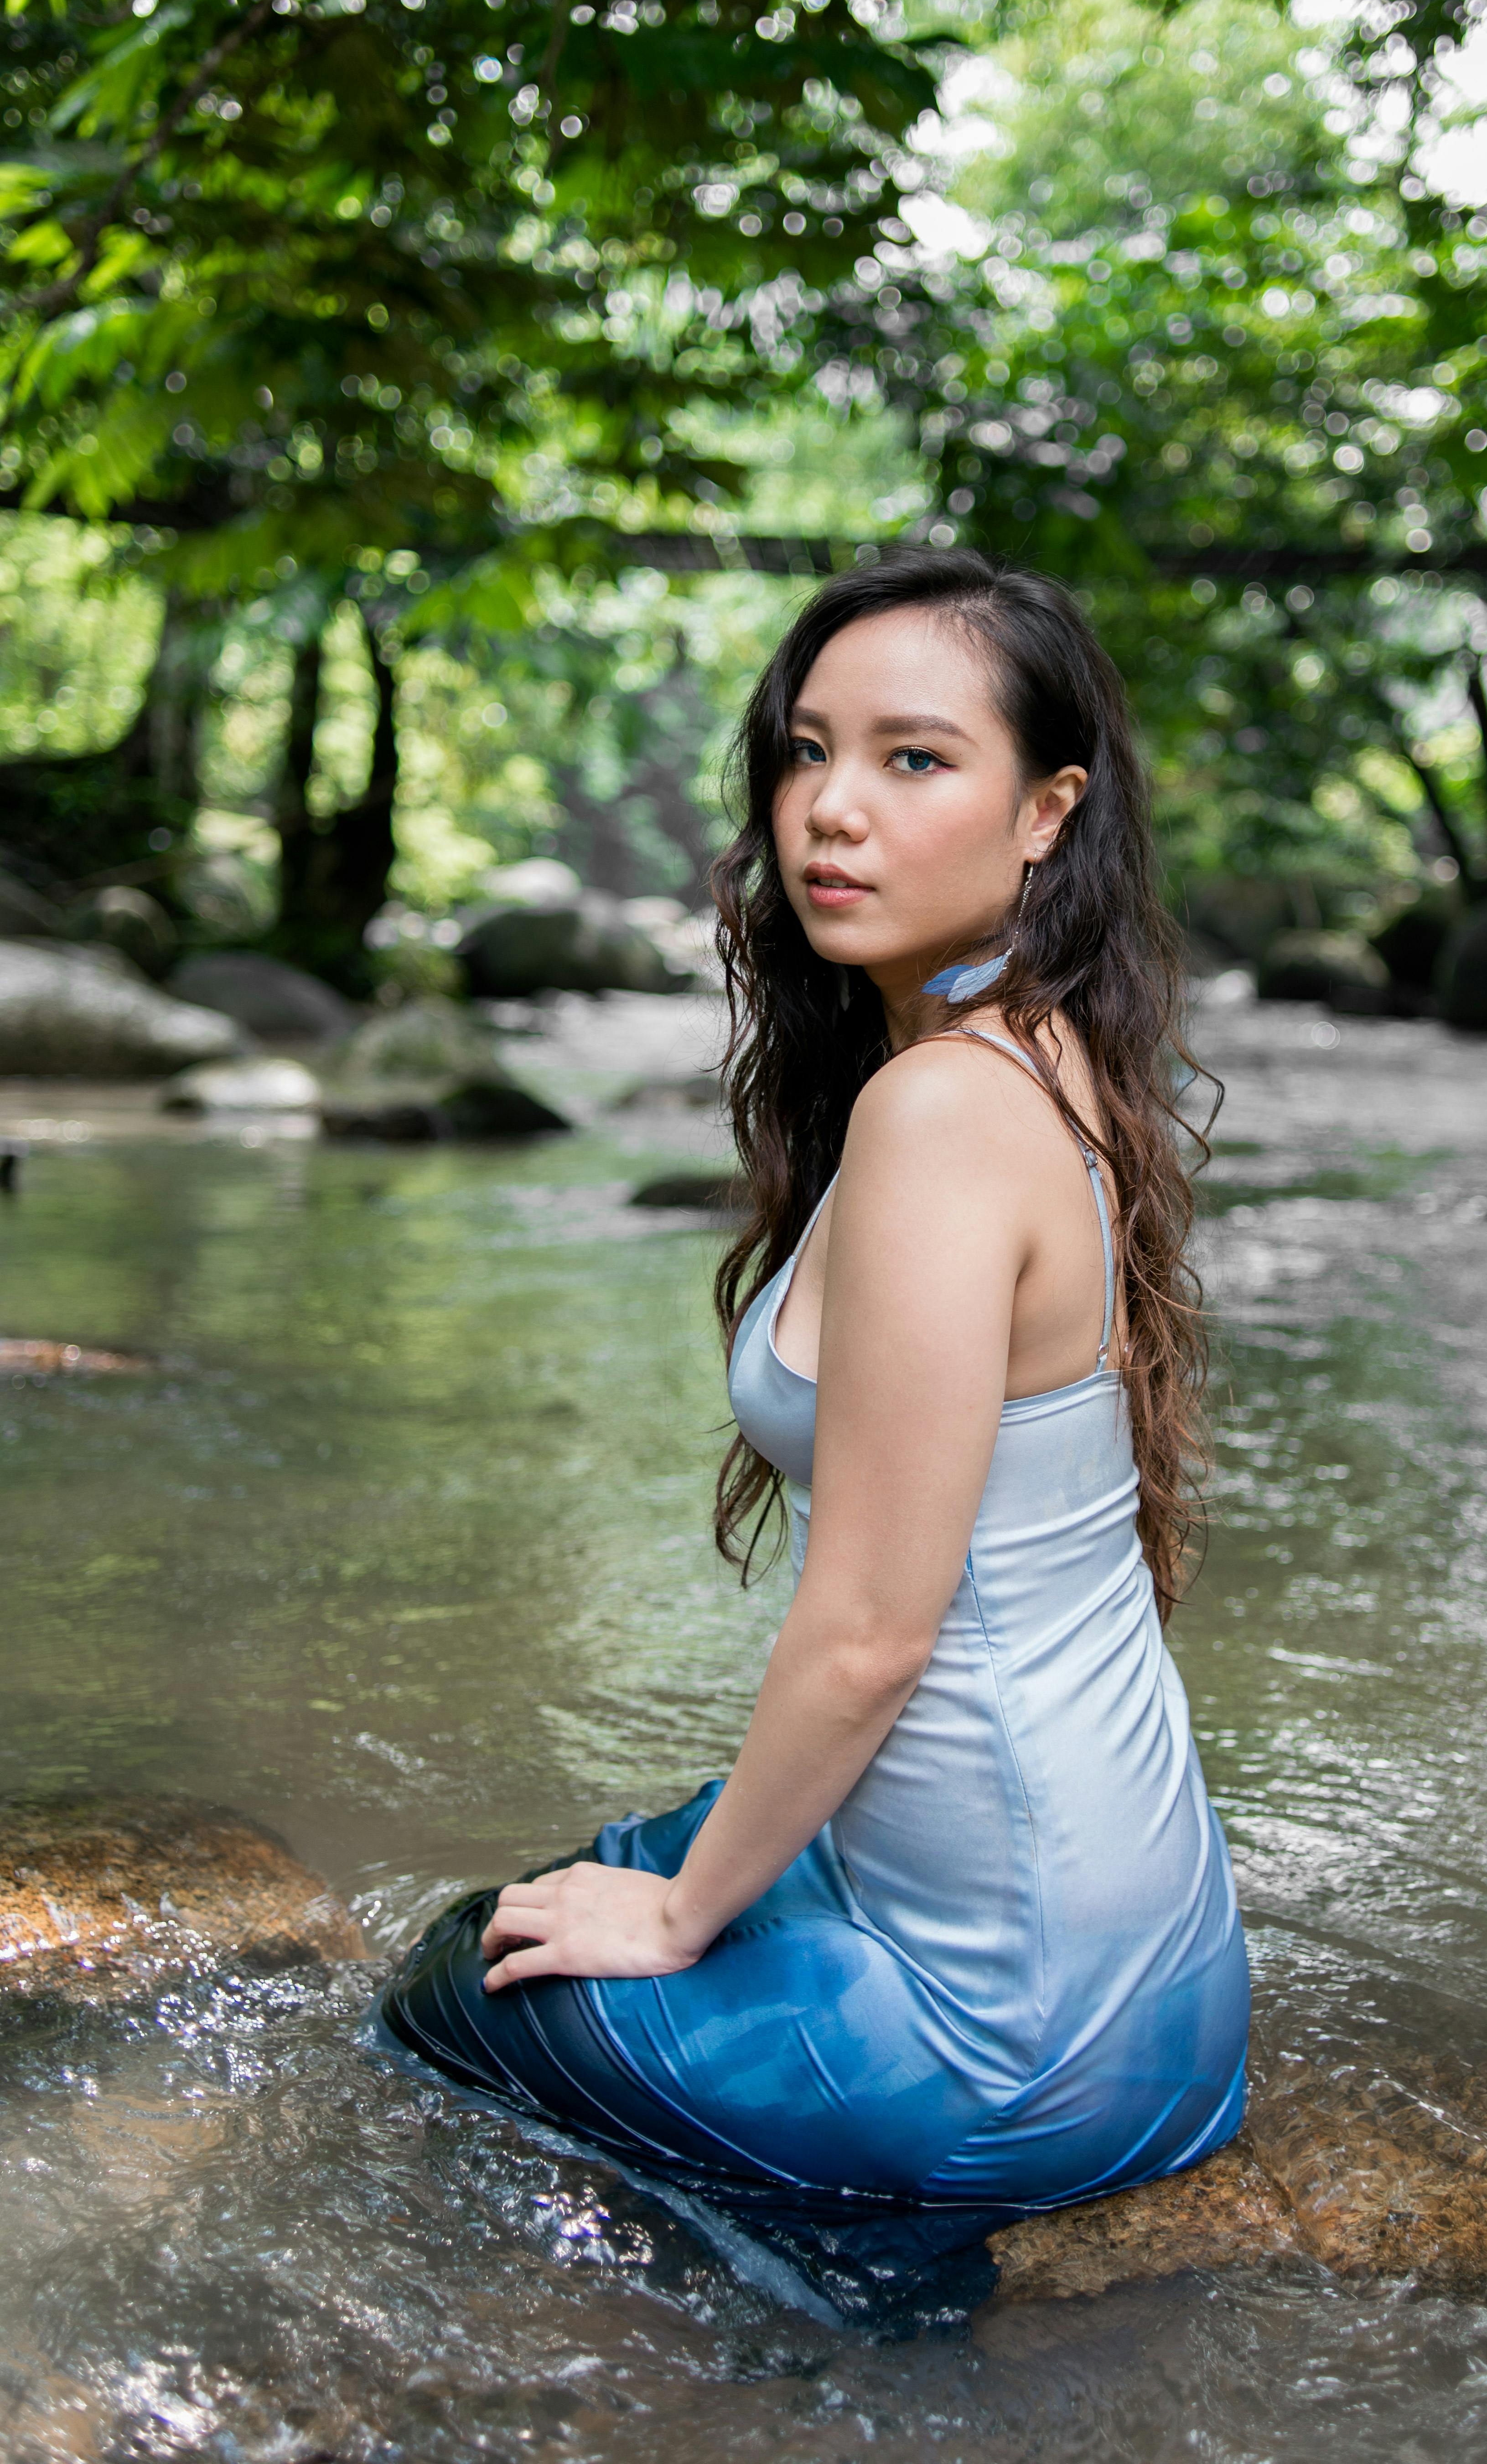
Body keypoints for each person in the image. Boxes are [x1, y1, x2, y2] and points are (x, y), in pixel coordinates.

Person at [376, 549, 1250, 2314]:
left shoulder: (942, 1110)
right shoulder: (1045, 1050)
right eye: (805, 751)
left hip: (1012, 2036)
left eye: (913, 759)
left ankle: (868, 2299)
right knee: (572, 1888)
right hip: (1152, 1972)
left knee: (449, 1988)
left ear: (1047, 812)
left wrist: (681, 1916)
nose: (830, 809)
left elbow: (869, 1636)